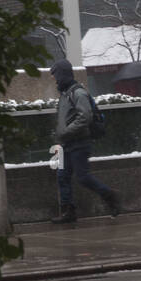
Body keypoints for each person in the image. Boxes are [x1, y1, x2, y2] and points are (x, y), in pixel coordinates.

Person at [51, 58, 120, 225]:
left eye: (55, 76)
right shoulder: (65, 94)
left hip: (80, 142)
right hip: (67, 143)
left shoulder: (77, 93)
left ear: (62, 75)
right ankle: (69, 211)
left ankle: (109, 195)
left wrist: (66, 132)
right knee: (62, 176)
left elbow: (85, 117)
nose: (54, 79)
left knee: (82, 177)